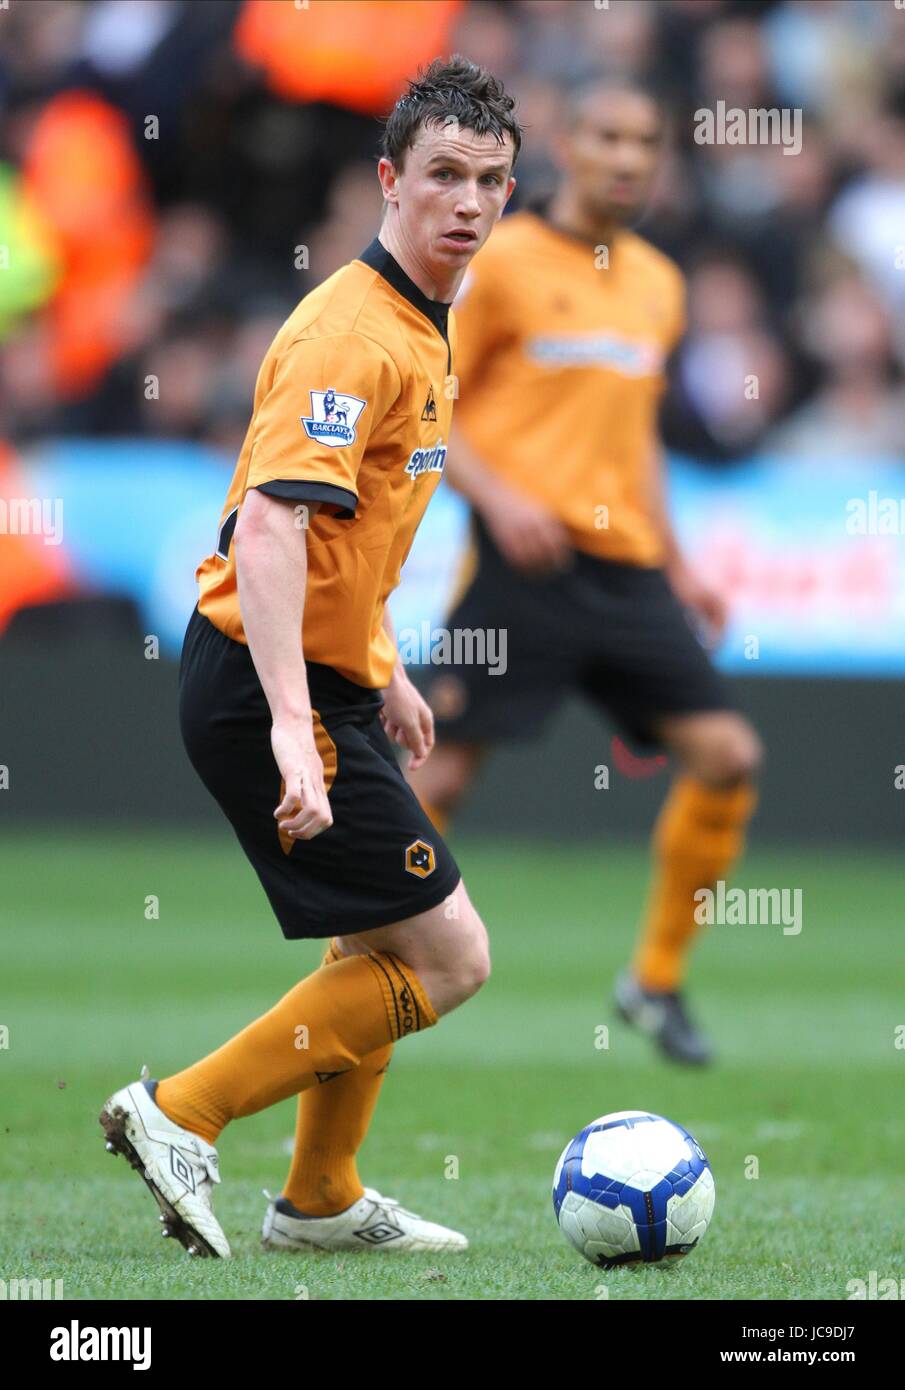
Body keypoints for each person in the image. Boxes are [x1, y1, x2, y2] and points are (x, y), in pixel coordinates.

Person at [100, 56, 519, 1258]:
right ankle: (180, 1111)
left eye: (489, 179)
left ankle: (321, 1198)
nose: (467, 201)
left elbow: (348, 531)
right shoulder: (351, 331)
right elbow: (272, 526)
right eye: (442, 173)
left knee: (377, 936)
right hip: (257, 686)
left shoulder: (422, 319)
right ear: (388, 180)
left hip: (315, 678)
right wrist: (297, 717)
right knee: (448, 956)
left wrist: (372, 665)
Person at [408, 77, 762, 1066]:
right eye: (606, 135)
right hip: (524, 566)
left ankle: (651, 981)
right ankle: (360, 963)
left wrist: (681, 563)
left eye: (644, 140)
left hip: (629, 571)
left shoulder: (657, 279)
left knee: (727, 756)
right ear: (564, 143)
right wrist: (500, 496)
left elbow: (632, 431)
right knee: (437, 775)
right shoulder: (501, 262)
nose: (625, 156)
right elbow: (435, 402)